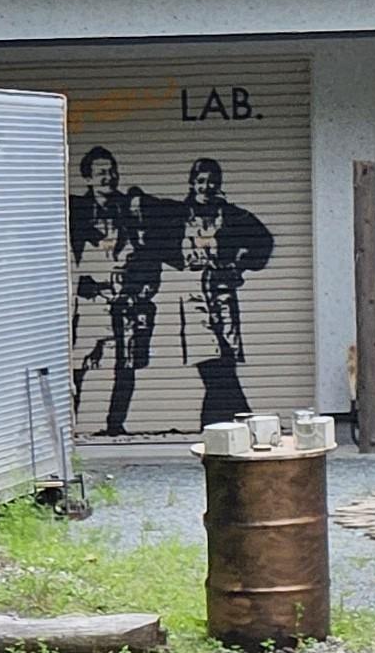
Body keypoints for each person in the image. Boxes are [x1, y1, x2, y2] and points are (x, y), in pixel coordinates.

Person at [68, 146, 168, 436]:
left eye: (111, 172)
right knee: (80, 360)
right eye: (100, 173)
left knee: (125, 363)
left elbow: (148, 250)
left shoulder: (131, 209)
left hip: (126, 299)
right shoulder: (75, 209)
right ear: (87, 177)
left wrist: (144, 288)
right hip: (89, 299)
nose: (108, 178)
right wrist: (85, 287)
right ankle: (70, 424)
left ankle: (115, 424)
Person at [174, 156, 277, 422]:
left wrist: (239, 266)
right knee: (209, 363)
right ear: (191, 183)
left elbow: (263, 241)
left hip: (222, 292)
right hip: (193, 295)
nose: (205, 187)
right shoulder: (177, 214)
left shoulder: (233, 215)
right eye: (200, 181)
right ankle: (244, 421)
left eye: (211, 182)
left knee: (225, 362)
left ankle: (216, 428)